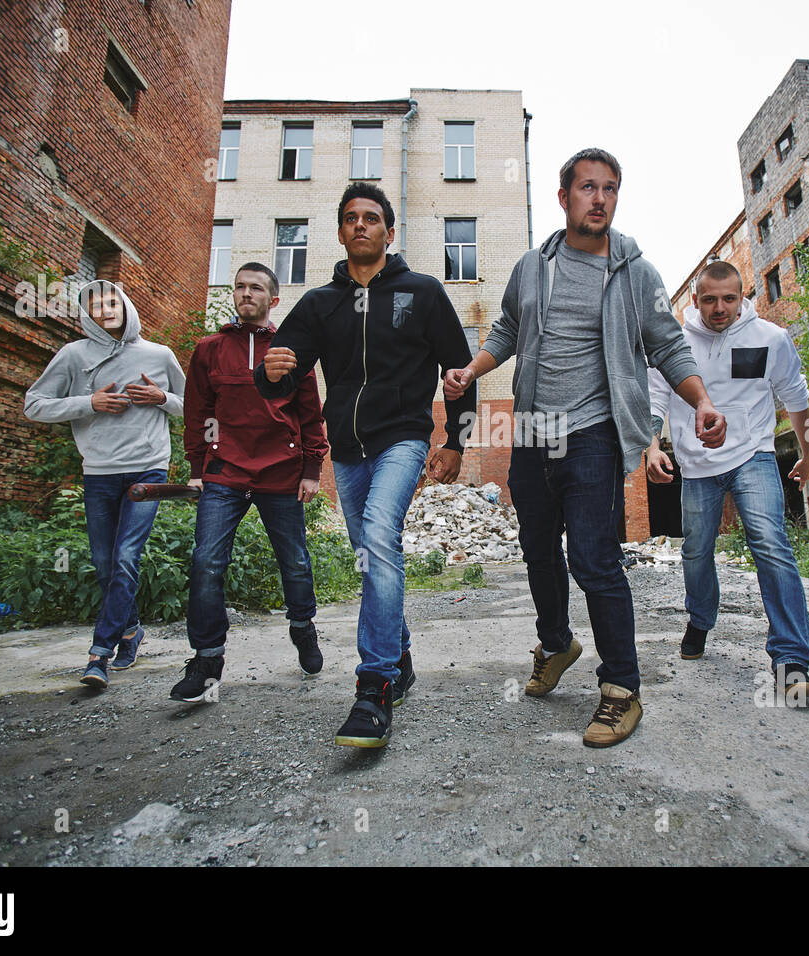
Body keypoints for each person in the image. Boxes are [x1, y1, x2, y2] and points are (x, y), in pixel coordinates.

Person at [443, 148, 726, 748]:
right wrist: (472, 369)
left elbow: (668, 346)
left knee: (594, 559)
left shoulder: (637, 274)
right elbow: (507, 329)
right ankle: (556, 643)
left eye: (610, 188)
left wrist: (701, 400)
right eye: (588, 187)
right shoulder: (532, 266)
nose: (599, 199)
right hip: (531, 432)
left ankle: (621, 687)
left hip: (594, 431)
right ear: (564, 197)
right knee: (537, 551)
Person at [256, 182, 474, 748]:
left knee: (378, 536)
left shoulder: (422, 292)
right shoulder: (320, 303)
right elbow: (279, 373)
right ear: (339, 232)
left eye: (371, 218)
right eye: (351, 218)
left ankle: (374, 686)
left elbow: (459, 369)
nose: (360, 225)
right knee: (367, 553)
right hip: (347, 449)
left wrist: (456, 441)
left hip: (403, 438)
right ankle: (399, 652)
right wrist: (270, 372)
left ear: (389, 232)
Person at [647, 259, 809, 702]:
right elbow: (655, 397)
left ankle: (791, 659)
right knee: (696, 551)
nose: (719, 308)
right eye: (709, 300)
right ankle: (701, 619)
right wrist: (652, 447)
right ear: (695, 300)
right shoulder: (675, 342)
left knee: (770, 543)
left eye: (728, 299)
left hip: (753, 454)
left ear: (743, 297)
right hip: (697, 465)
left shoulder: (770, 338)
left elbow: (795, 395)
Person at [170, 262, 330, 702]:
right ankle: (207, 661)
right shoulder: (210, 349)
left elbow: (310, 413)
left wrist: (312, 470)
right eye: (240, 286)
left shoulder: (290, 351)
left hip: (281, 471)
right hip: (225, 471)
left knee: (294, 562)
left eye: (256, 288)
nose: (246, 293)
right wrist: (198, 468)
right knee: (207, 561)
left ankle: (302, 626)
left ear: (272, 299)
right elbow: (198, 413)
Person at [24, 279, 186, 689]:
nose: (106, 309)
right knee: (104, 562)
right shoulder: (73, 355)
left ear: (125, 304)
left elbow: (195, 407)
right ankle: (130, 630)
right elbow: (34, 405)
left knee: (126, 555)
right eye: (95, 305)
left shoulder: (159, 354)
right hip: (99, 470)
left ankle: (99, 654)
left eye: (112, 301)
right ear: (87, 314)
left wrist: (162, 399)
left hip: (148, 468)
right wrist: (89, 403)